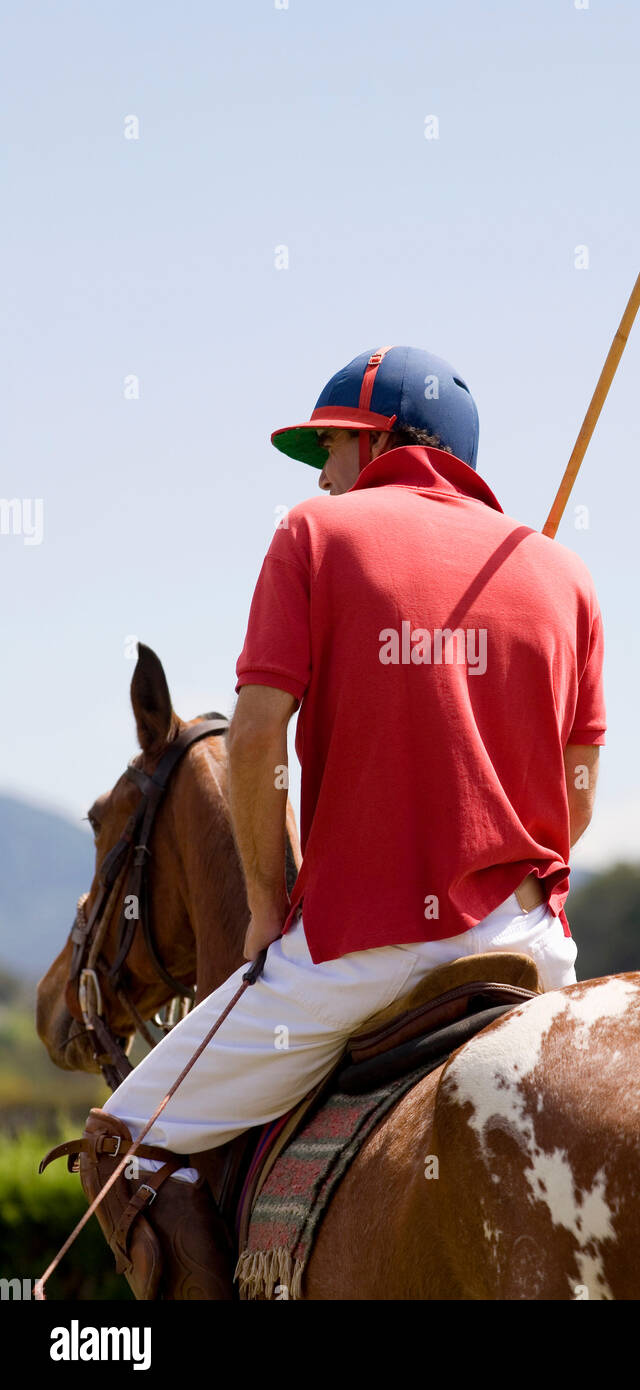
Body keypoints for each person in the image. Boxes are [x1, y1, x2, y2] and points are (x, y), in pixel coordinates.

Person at [75, 345, 606, 1298]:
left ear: (382, 442)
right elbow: (578, 797)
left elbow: (255, 738)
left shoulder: (314, 534)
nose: (322, 474)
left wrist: (265, 911)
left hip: (357, 960)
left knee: (123, 1146)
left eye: (330, 447)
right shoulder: (561, 572)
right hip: (534, 953)